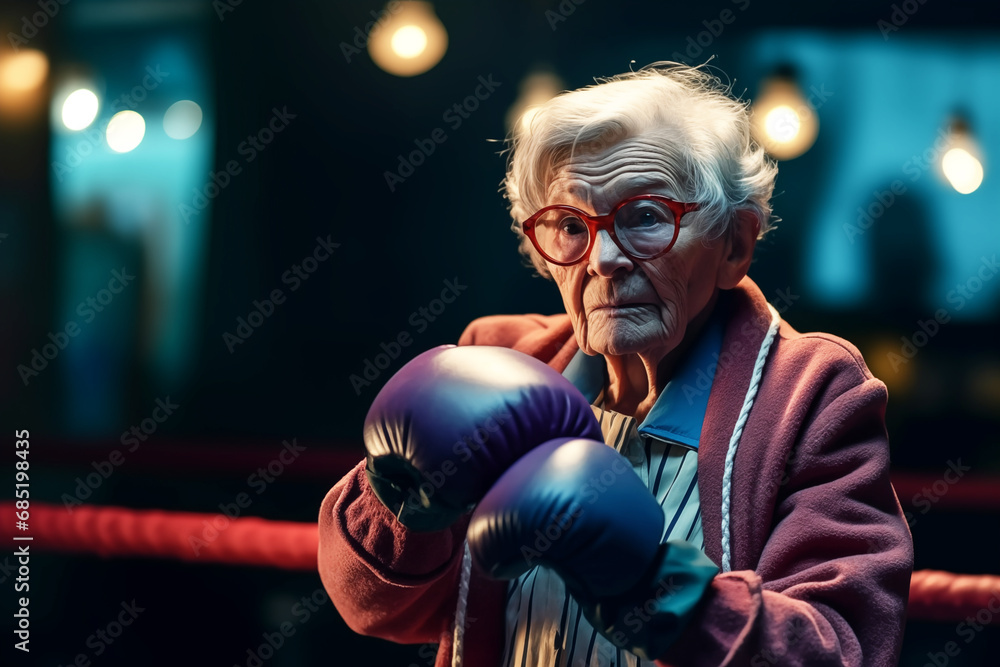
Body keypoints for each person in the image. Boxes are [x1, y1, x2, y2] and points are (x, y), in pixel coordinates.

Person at [318, 62, 914, 666]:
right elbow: (376, 609)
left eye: (646, 216)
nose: (603, 259)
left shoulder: (810, 394)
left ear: (734, 245)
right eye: (570, 225)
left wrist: (650, 584)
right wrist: (396, 495)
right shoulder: (495, 357)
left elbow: (845, 648)